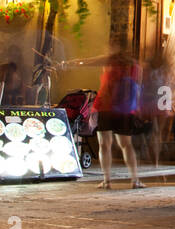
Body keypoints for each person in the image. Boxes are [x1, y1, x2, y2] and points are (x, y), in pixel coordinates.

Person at [59, 37, 145, 189]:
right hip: (125, 110)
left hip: (105, 107)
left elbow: (87, 62)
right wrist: (137, 109)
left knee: (104, 144)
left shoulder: (109, 60)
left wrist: (69, 63)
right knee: (126, 145)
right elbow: (138, 88)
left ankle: (107, 181)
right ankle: (135, 180)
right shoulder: (135, 65)